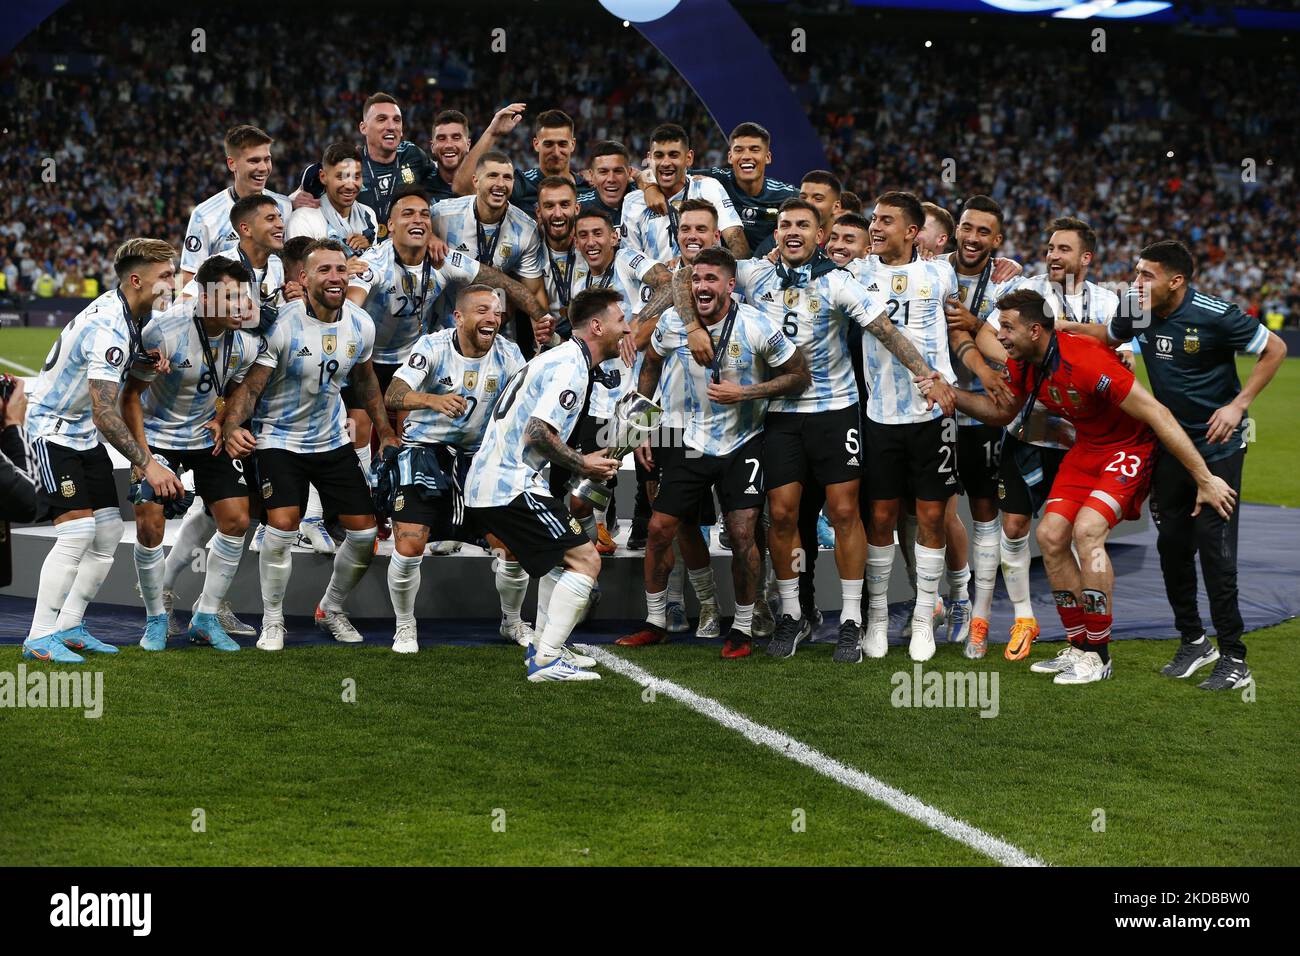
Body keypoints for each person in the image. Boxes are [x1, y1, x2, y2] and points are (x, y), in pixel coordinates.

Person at [676, 198, 956, 663]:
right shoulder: (755, 274)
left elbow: (885, 329)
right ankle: (792, 614)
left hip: (835, 411)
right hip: (781, 413)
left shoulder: (838, 282)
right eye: (785, 224)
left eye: (803, 225)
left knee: (846, 512)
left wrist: (925, 373)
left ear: (819, 235)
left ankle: (850, 619)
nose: (791, 231)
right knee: (782, 515)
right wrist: (691, 326)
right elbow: (683, 277)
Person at [926, 287, 1237, 685]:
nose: (999, 337)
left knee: (1088, 532)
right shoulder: (1027, 361)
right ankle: (1078, 645)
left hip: (1129, 449)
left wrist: (1204, 478)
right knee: (1051, 535)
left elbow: (1157, 413)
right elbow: (1003, 412)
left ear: (1035, 330)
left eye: (1006, 327)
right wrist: (950, 394)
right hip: (1086, 449)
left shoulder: (1086, 361)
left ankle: (1099, 654)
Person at [1067, 239, 1285, 690]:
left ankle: (1234, 657)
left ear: (1176, 280)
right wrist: (1054, 326)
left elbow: (1276, 348)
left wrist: (1238, 405)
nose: (1136, 282)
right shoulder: (1138, 309)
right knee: (1171, 545)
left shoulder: (1215, 314)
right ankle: (1193, 640)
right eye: (1136, 272)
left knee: (1215, 548)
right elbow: (1107, 336)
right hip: (1170, 443)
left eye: (1146, 275)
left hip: (1218, 446)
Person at [628, 247, 809, 658]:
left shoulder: (758, 325)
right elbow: (650, 365)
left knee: (744, 532)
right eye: (697, 279)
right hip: (689, 440)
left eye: (712, 280)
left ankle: (743, 628)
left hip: (744, 441)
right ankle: (656, 620)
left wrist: (745, 392)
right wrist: (640, 429)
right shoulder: (675, 322)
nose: (702, 287)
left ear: (730, 285)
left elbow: (799, 375)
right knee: (659, 529)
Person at [220, 240, 397, 651]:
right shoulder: (283, 324)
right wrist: (231, 426)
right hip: (278, 440)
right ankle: (273, 619)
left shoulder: (360, 324)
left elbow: (367, 382)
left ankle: (331, 608)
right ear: (304, 278)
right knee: (281, 529)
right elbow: (252, 387)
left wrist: (385, 432)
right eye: (324, 271)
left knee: (365, 533)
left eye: (341, 269)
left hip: (332, 441)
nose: (335, 278)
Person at [24, 239, 186, 662]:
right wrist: (147, 464)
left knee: (110, 531)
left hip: (79, 430)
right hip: (54, 429)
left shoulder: (130, 311)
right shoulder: (111, 324)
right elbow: (103, 412)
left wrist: (144, 362)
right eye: (166, 276)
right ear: (137, 280)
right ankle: (39, 636)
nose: (174, 282)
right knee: (77, 532)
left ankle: (71, 626)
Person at [464, 287, 630, 682]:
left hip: (497, 481)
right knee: (586, 560)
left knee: (562, 560)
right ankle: (547, 660)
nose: (626, 329)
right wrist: (583, 463)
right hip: (509, 484)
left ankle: (545, 646)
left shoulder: (563, 358)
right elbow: (538, 432)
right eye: (620, 321)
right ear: (596, 325)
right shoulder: (570, 366)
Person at [121, 256, 261, 652]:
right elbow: (128, 397)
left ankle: (205, 617)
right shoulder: (162, 332)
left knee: (236, 520)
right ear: (202, 296)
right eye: (229, 297)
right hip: (159, 436)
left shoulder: (247, 338)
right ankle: (155, 618)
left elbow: (237, 387)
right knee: (150, 524)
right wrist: (142, 458)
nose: (239, 306)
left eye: (242, 296)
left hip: (207, 436)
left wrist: (226, 421)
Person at [381, 284, 527, 653]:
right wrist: (432, 400)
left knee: (512, 545)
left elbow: (526, 404)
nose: (491, 318)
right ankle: (405, 626)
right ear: (458, 317)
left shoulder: (509, 354)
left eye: (495, 312)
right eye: (481, 310)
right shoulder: (432, 347)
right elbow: (393, 395)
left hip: (479, 458)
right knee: (410, 542)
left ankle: (512, 622)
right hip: (424, 453)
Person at [852, 191, 962, 662]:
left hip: (934, 418)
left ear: (913, 233)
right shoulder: (856, 273)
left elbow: (958, 323)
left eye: (887, 221)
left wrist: (1004, 266)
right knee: (880, 518)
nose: (876, 228)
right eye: (874, 220)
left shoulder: (940, 272)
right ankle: (877, 619)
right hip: (881, 416)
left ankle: (923, 620)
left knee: (933, 517)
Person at [429, 150, 552, 340]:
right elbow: (410, 226)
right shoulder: (442, 215)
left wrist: (542, 330)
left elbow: (533, 289)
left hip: (492, 328)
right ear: (476, 181)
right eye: (492, 175)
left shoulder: (525, 230)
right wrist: (429, 236)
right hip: (441, 328)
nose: (500, 184)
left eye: (507, 178)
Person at [180, 126, 292, 286]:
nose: (263, 168)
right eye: (253, 161)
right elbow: (189, 277)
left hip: (274, 305)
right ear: (232, 164)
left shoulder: (284, 206)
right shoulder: (205, 215)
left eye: (267, 159)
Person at [623, 124, 749, 262]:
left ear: (689, 158)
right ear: (649, 159)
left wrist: (720, 274)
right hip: (655, 283)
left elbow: (738, 245)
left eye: (673, 155)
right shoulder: (633, 202)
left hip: (705, 279)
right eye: (659, 155)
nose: (665, 163)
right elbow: (630, 260)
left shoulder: (708, 188)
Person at [454, 105, 594, 209]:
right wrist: (492, 133)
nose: (556, 152)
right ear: (536, 144)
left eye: (562, 144)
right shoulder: (520, 184)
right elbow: (463, 188)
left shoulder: (588, 186)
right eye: (549, 144)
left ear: (573, 144)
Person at [287, 143, 379, 250]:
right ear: (323, 177)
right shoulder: (303, 219)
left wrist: (369, 251)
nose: (350, 185)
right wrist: (344, 265)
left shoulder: (368, 215)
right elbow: (299, 266)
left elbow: (375, 265)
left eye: (356, 176)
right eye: (341, 177)